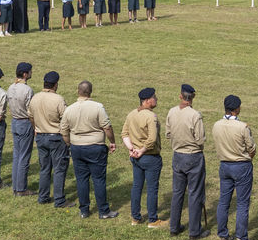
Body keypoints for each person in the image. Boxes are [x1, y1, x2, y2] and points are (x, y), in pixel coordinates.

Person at [66, 81, 117, 218]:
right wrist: (112, 141)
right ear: (90, 92)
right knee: (99, 179)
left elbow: (64, 130)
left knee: (81, 179)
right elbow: (107, 127)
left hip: (77, 147)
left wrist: (69, 144)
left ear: (78, 91)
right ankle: (103, 211)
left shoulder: (69, 109)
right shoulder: (97, 107)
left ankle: (84, 210)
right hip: (95, 146)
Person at [214, 94, 258, 240]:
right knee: (242, 204)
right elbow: (251, 148)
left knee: (224, 202)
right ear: (236, 109)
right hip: (241, 166)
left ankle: (223, 236)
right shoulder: (242, 127)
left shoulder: (217, 125)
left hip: (224, 165)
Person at [167, 84, 206, 237]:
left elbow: (168, 133)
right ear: (193, 97)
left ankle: (174, 227)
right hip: (193, 156)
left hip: (177, 155)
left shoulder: (171, 112)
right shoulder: (195, 115)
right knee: (195, 193)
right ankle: (195, 231)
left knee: (177, 192)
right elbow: (201, 139)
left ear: (180, 96)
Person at [123, 87, 164, 226]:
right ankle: (153, 220)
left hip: (135, 157)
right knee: (152, 188)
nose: (156, 99)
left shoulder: (131, 114)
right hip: (150, 157)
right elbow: (152, 140)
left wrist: (132, 149)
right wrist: (142, 150)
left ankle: (135, 217)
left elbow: (124, 133)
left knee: (137, 186)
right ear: (147, 101)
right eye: (154, 97)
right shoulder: (150, 117)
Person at [30, 71, 70, 207]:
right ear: (56, 84)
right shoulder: (58, 99)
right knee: (59, 169)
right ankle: (59, 200)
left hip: (40, 136)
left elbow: (30, 116)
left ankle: (43, 196)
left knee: (44, 168)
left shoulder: (35, 97)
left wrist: (36, 128)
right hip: (56, 137)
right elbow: (66, 118)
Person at [7, 63, 35, 195]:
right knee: (24, 156)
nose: (31, 73)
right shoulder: (27, 90)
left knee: (17, 155)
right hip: (25, 123)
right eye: (30, 72)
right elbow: (31, 111)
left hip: (15, 121)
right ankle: (21, 188)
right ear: (25, 74)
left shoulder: (11, 87)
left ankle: (15, 186)